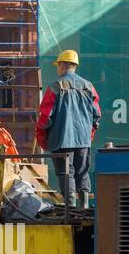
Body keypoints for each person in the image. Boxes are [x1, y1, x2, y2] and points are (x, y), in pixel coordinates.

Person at [35, 49, 100, 209]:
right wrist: (88, 137)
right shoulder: (89, 87)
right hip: (82, 140)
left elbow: (44, 118)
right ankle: (83, 206)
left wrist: (42, 139)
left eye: (58, 65)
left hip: (60, 140)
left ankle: (69, 209)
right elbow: (96, 116)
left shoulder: (55, 87)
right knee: (82, 172)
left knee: (66, 173)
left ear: (62, 65)